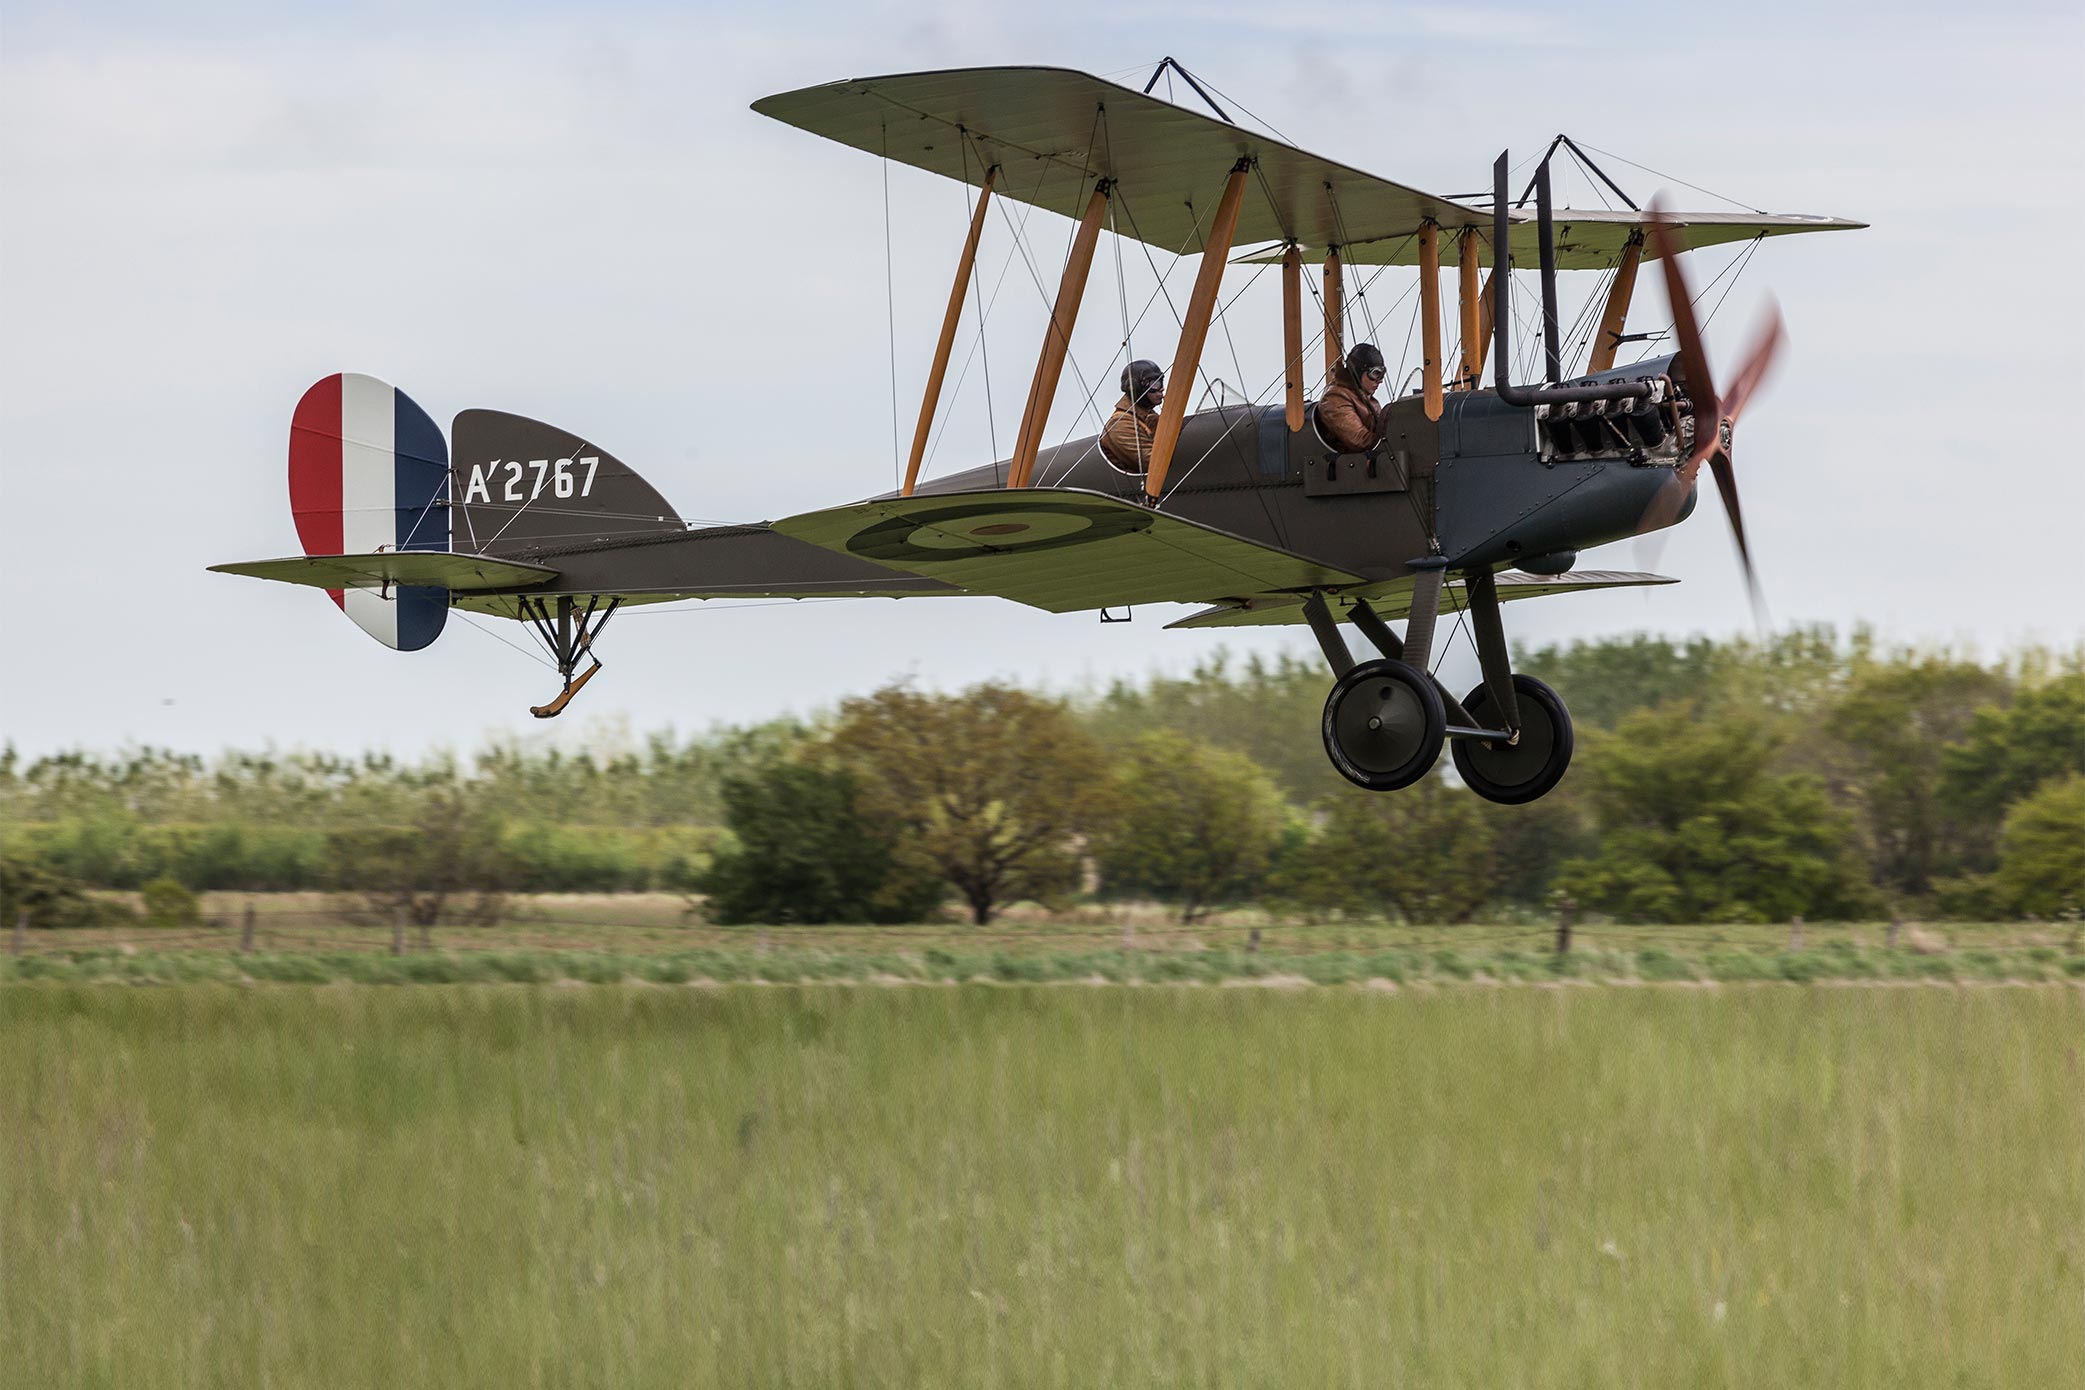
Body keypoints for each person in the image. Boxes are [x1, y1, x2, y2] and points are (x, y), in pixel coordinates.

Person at [1318, 342, 1388, 454]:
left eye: (1382, 374)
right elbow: (1360, 441)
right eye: (1375, 374)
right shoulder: (1335, 398)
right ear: (1358, 372)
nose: (1379, 380)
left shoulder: (1369, 400)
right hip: (1349, 467)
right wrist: (1392, 441)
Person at [1100, 359, 1164, 471]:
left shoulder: (1147, 417)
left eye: (1161, 381)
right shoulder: (1120, 425)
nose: (1161, 388)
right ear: (1136, 387)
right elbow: (1153, 463)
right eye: (1155, 384)